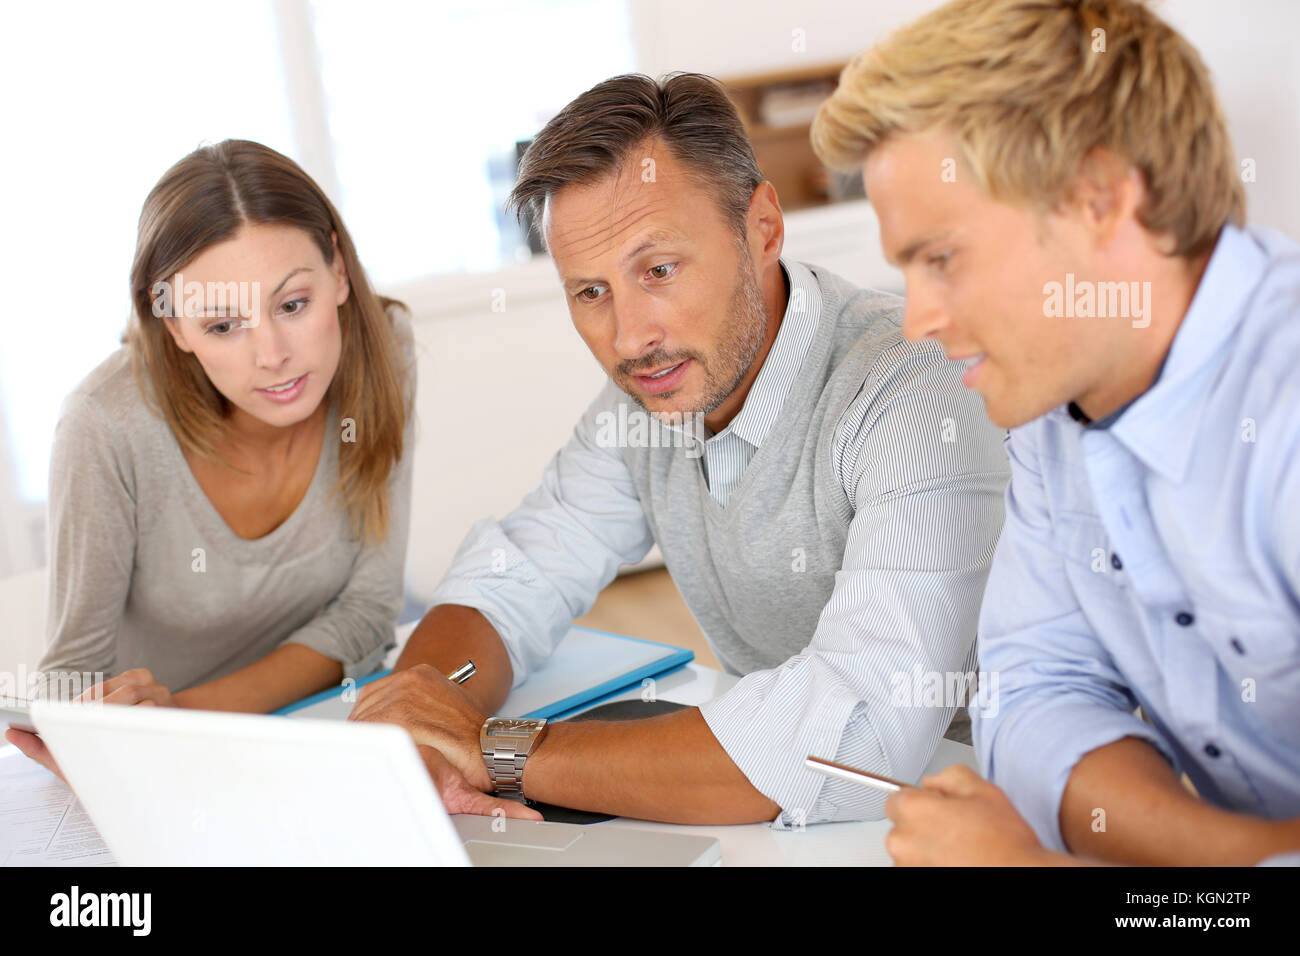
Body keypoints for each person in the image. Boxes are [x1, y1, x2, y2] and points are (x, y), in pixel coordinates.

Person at [349, 73, 1010, 825]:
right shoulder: (650, 397)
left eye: (658, 271)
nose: (629, 338)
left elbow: (851, 745)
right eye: (590, 292)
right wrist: (421, 720)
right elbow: (516, 579)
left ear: (762, 226)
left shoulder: (914, 389)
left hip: (976, 808)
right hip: (784, 819)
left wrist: (497, 747)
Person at [810, 0, 1300, 864]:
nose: (915, 318)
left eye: (942, 258)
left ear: (1100, 200)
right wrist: (1234, 862)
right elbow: (1036, 692)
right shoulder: (1055, 413)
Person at [7, 140, 417, 778]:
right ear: (173, 325)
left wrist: (184, 712)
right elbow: (71, 682)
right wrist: (134, 735)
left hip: (316, 727)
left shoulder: (383, 349)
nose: (272, 354)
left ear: (337, 268)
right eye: (223, 325)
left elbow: (367, 613)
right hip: (169, 765)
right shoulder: (105, 423)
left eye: (291, 305)